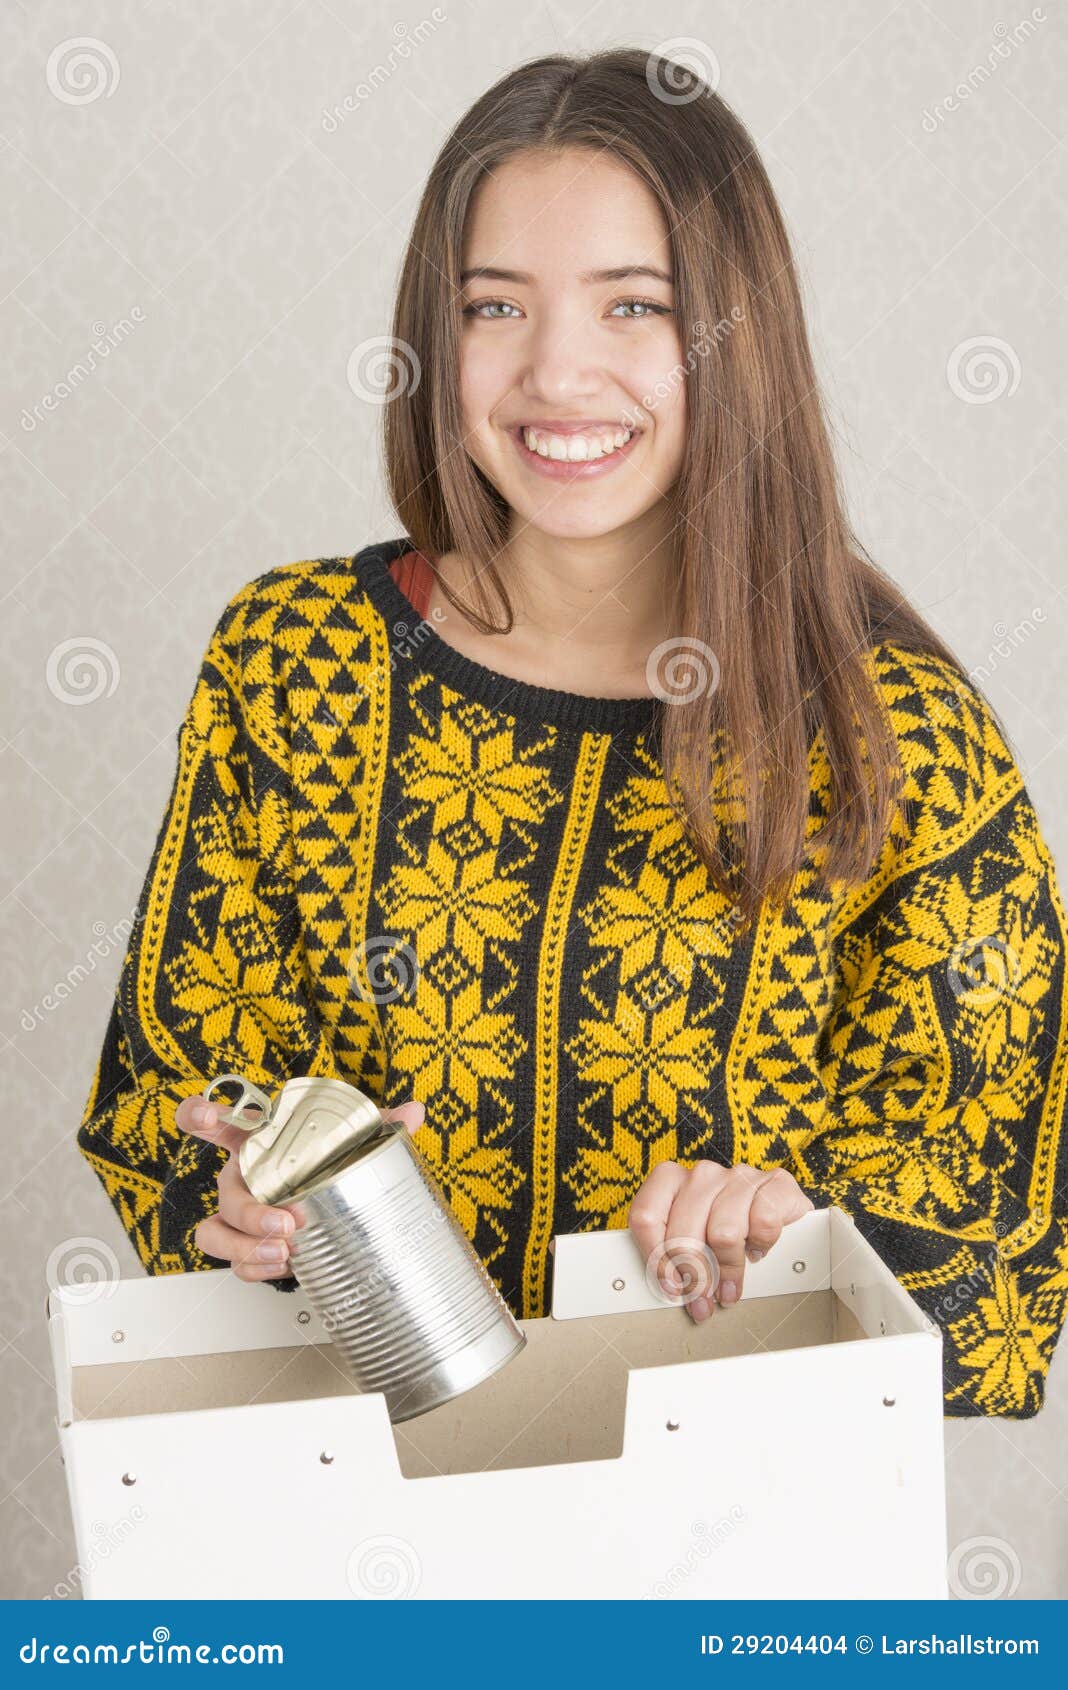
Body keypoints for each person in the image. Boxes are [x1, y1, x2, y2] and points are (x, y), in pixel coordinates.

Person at [78, 47, 1068, 1419]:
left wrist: (800, 1231)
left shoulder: (898, 737)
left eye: (633, 306)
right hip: (349, 1539)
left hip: (732, 1568)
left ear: (735, 334)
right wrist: (234, 1204)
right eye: (497, 306)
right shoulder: (292, 664)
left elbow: (1000, 1276)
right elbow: (168, 1094)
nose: (557, 372)